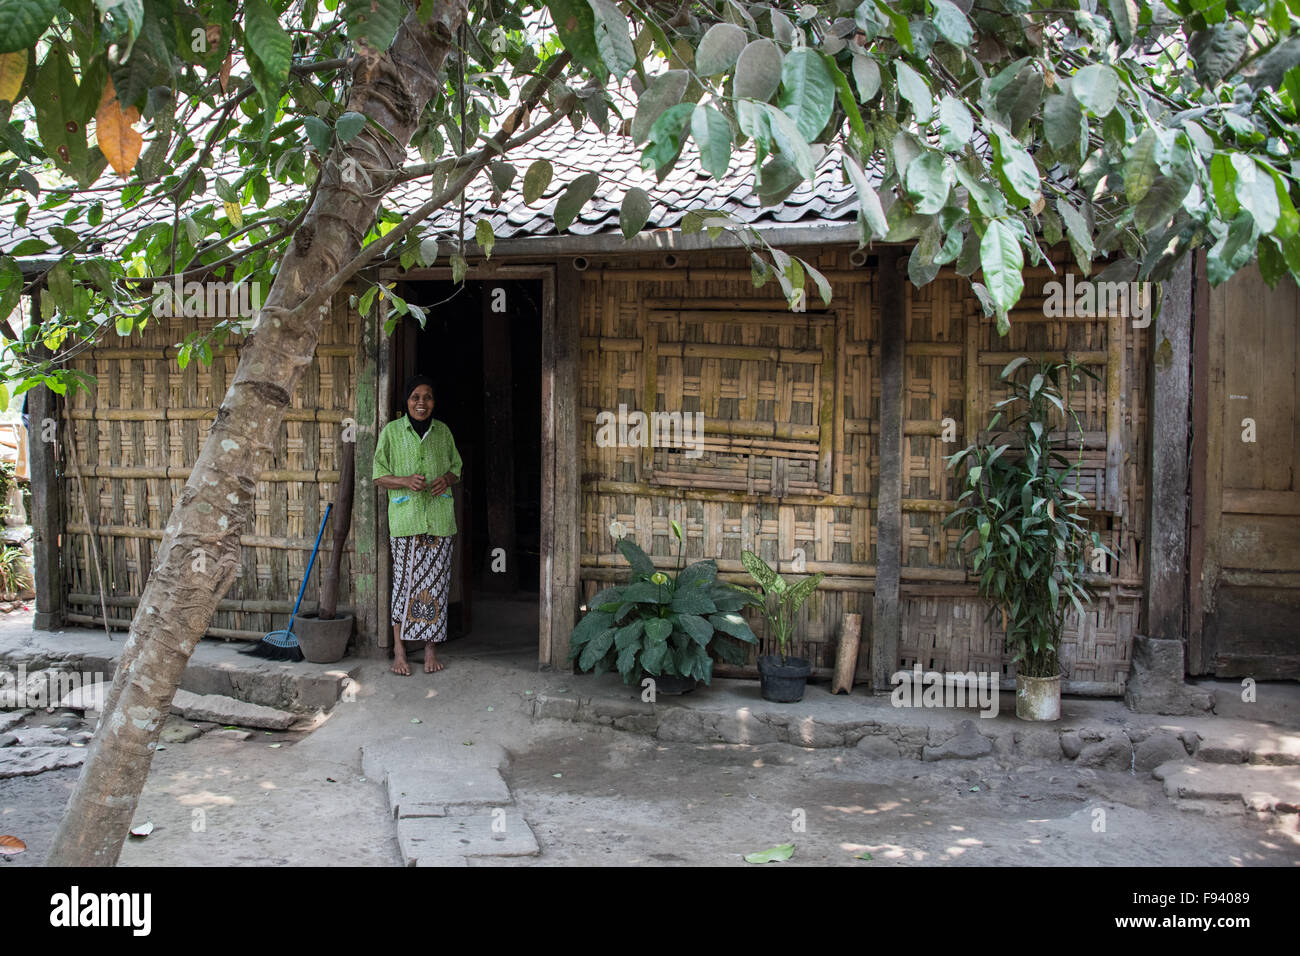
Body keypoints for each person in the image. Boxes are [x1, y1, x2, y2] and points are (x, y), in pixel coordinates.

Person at [373, 375, 462, 675]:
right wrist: (404, 481)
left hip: (439, 521)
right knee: (404, 587)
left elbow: (457, 468)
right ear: (406, 401)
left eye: (427, 397)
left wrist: (446, 479)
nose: (421, 403)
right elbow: (378, 474)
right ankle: (399, 650)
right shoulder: (392, 432)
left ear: (434, 402)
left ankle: (429, 650)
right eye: (415, 397)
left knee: (435, 588)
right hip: (406, 521)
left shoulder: (443, 432)